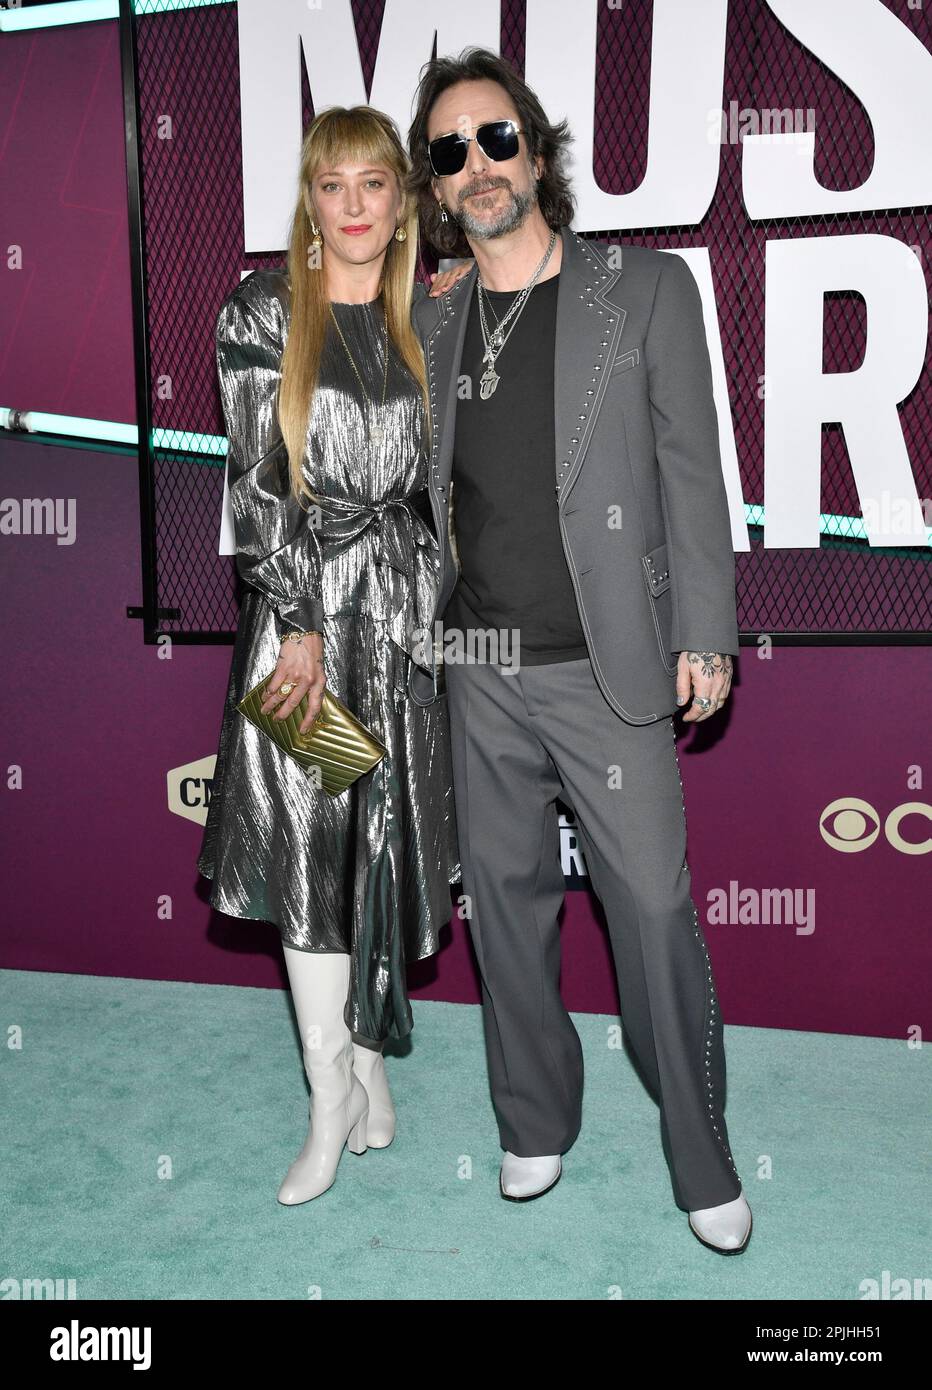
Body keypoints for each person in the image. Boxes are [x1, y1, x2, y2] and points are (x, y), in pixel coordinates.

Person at [404, 48, 752, 1254]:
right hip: (476, 662)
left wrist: (705, 628)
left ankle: (701, 1152)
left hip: (610, 664)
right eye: (448, 151)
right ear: (435, 185)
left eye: (494, 137)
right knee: (502, 910)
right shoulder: (431, 314)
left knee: (651, 910)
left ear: (536, 147)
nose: (477, 165)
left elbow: (692, 474)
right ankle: (533, 1116)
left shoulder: (643, 288)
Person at [197, 105, 468, 1206]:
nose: (353, 207)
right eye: (331, 186)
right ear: (308, 204)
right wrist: (298, 615)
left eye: (373, 185)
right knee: (310, 848)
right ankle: (326, 1099)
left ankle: (367, 1059)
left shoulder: (430, 313)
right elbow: (256, 482)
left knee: (384, 844)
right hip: (299, 624)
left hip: (403, 616)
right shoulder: (264, 311)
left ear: (402, 200)